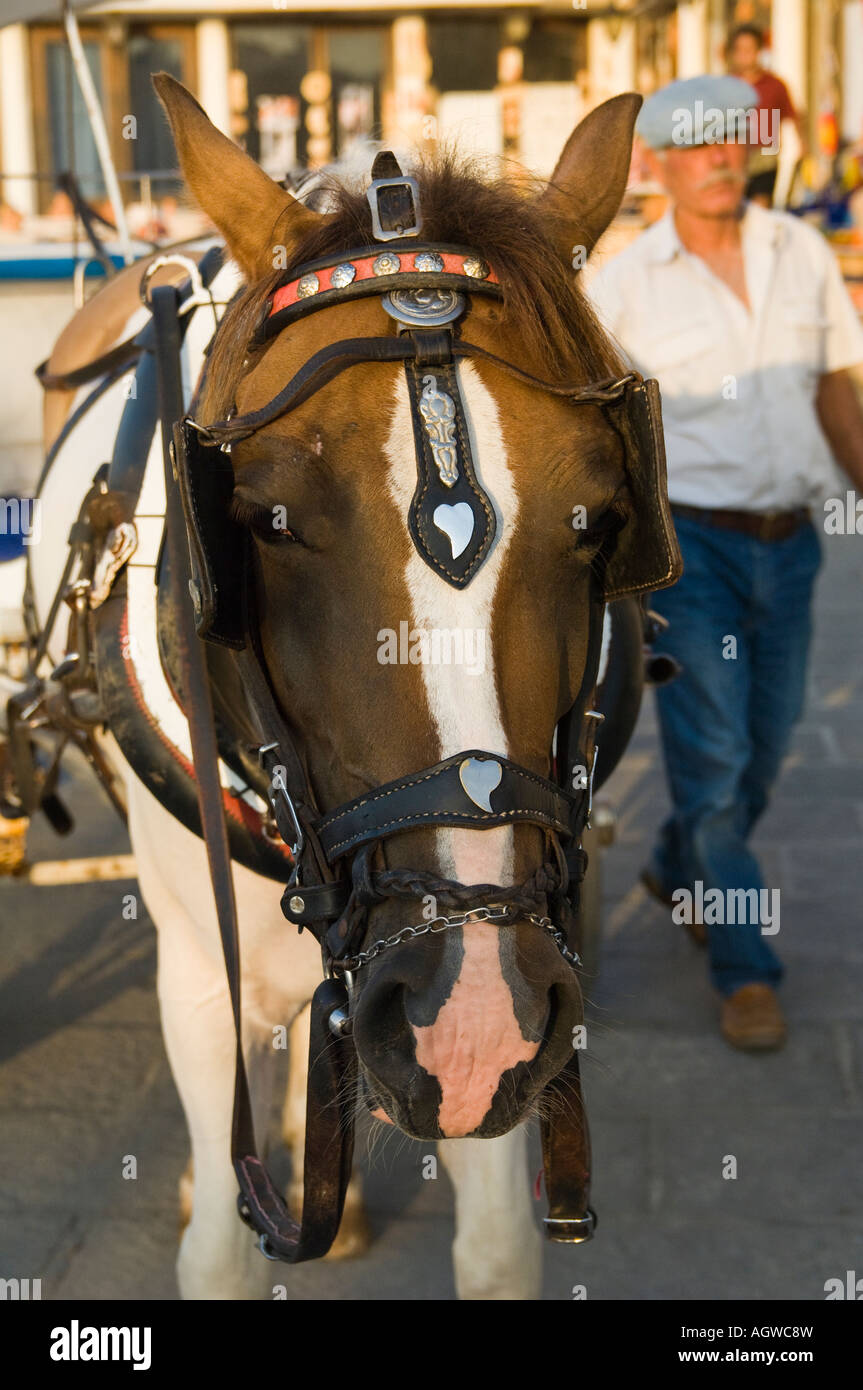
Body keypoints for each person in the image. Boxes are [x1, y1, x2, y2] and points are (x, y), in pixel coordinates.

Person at [588, 75, 863, 1051]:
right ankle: (745, 965)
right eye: (692, 145)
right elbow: (596, 435)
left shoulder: (799, 253)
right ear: (652, 163)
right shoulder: (618, 286)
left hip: (789, 547)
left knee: (768, 740)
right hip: (687, 550)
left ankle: (674, 858)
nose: (716, 158)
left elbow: (834, 383)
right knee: (714, 764)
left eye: (729, 140)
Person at [726, 22, 804, 205]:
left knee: (761, 208)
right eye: (740, 49)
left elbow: (792, 116)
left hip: (764, 158)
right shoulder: (726, 86)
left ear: (759, 51)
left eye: (750, 49)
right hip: (733, 158)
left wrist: (802, 145)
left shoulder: (775, 85)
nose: (745, 55)